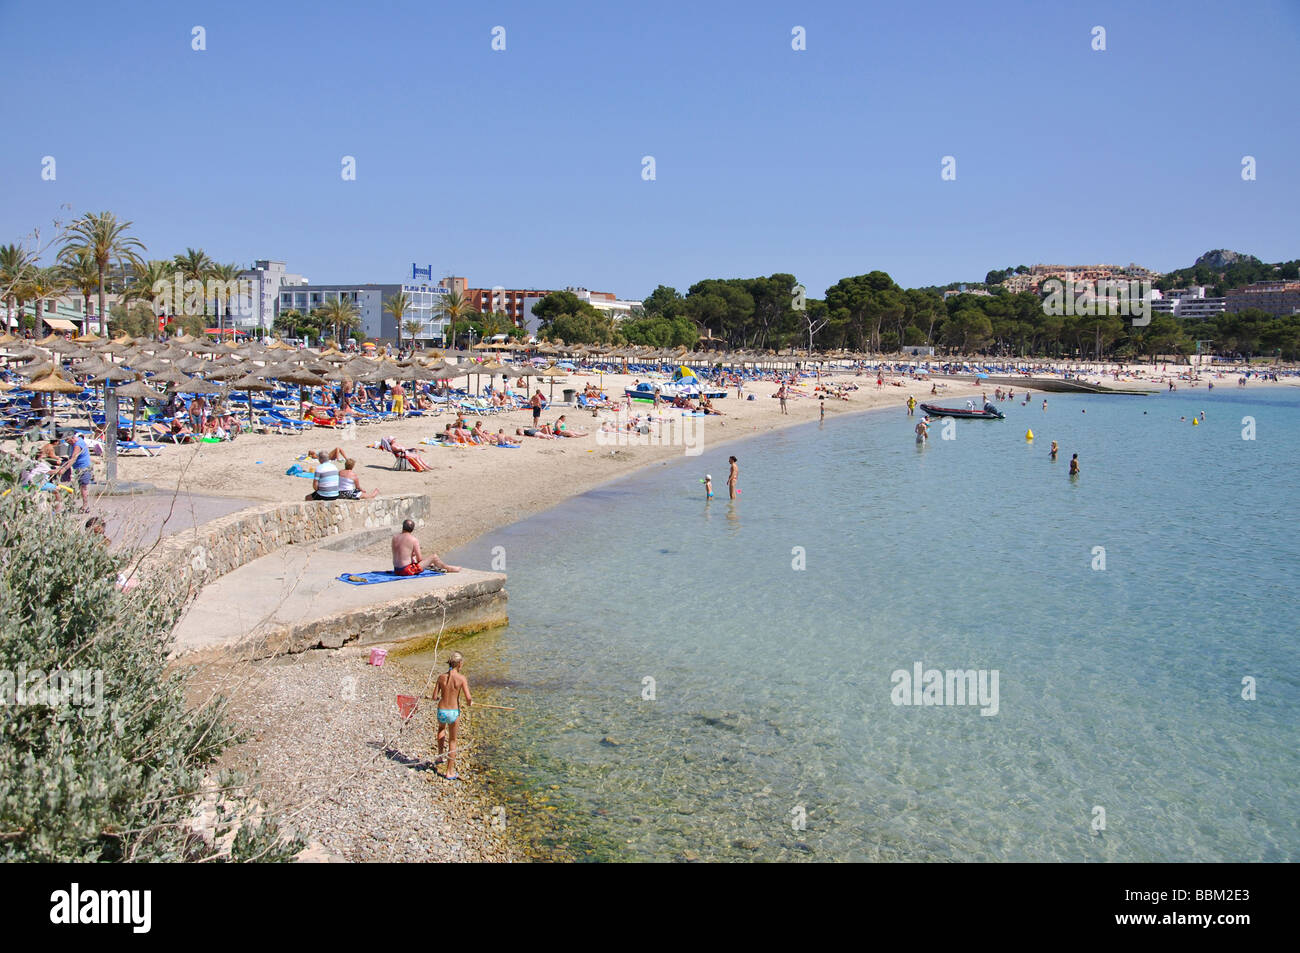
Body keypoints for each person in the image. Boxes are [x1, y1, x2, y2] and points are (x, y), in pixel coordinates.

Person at [432, 652, 472, 780]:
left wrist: (438, 696)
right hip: (454, 712)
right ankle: (449, 771)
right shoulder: (461, 678)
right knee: (453, 741)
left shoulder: (441, 677)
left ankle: (439, 756)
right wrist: (470, 703)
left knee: (441, 729)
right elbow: (468, 698)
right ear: (460, 664)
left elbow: (434, 697)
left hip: (442, 710)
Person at [391, 518, 460, 574]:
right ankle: (449, 568)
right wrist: (428, 562)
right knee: (434, 557)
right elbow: (419, 559)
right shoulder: (413, 539)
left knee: (413, 557)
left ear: (403, 526)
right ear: (412, 529)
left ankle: (436, 566)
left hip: (396, 570)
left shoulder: (394, 537)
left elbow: (401, 552)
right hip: (406, 571)